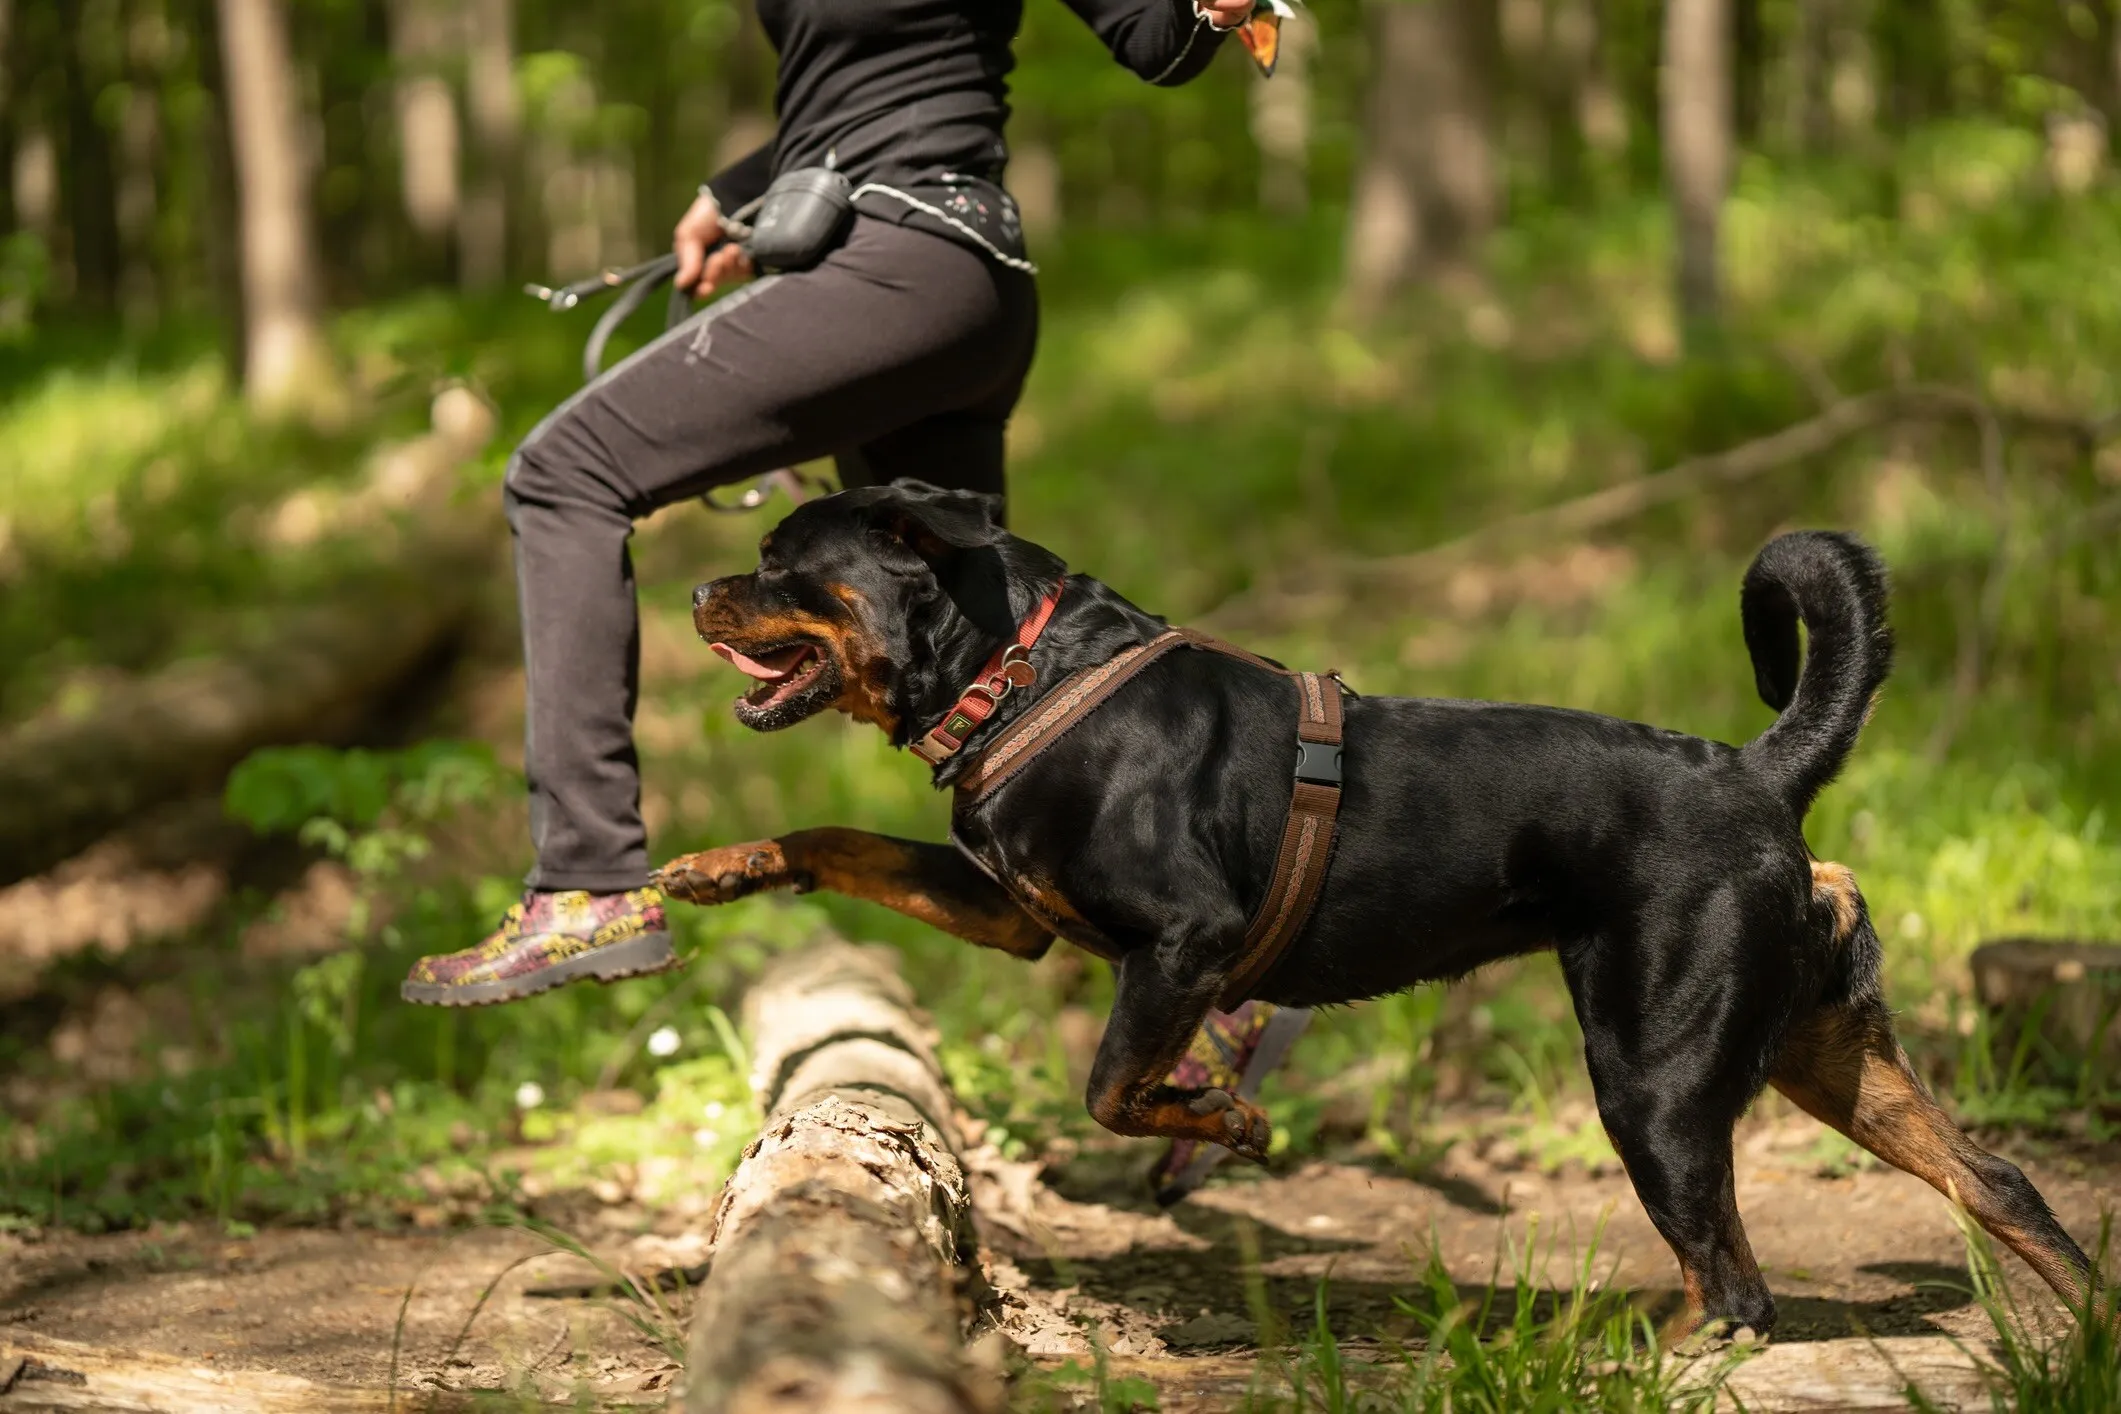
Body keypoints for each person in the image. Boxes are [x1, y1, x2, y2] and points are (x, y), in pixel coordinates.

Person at [400, 0, 1304, 1200]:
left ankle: (585, 878)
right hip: (917, 274)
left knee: (564, 472)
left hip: (915, 267)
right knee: (997, 717)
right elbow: (863, 72)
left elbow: (1151, 31)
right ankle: (1233, 982)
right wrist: (742, 192)